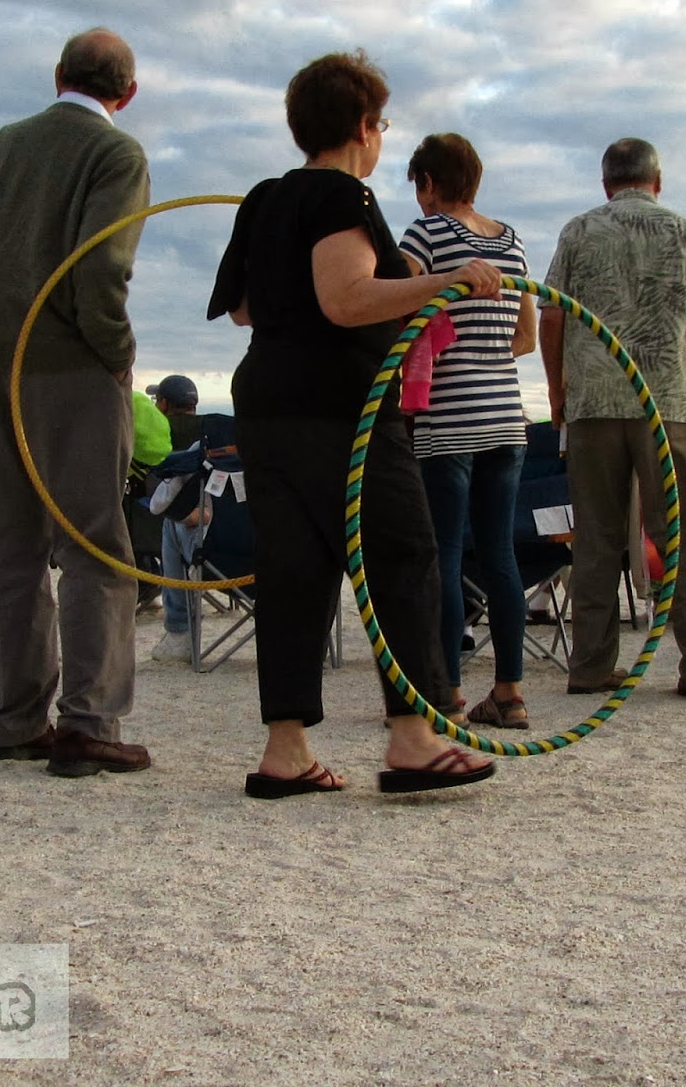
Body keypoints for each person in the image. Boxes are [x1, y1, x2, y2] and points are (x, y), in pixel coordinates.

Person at [210, 50, 500, 797]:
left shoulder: (264, 199)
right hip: (342, 407)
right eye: (382, 125)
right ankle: (413, 737)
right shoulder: (343, 196)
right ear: (364, 127)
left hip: (268, 402)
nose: (382, 139)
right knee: (402, 554)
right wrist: (450, 279)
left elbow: (245, 308)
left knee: (295, 570)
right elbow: (345, 298)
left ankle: (287, 751)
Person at [0, 27, 151, 777]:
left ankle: (17, 719)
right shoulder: (115, 153)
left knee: (9, 550)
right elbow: (103, 267)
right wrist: (116, 354)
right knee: (95, 546)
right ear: (127, 93)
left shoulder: (3, 143)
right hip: (69, 365)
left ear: (57, 74)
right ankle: (90, 723)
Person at [541, 137, 686, 703]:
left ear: (605, 185)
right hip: (666, 405)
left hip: (595, 403)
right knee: (678, 537)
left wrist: (558, 393)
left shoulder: (578, 231)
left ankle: (591, 666)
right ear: (658, 181)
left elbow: (551, 316)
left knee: (595, 537)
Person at [398, 133, 535, 730]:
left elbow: (396, 307)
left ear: (428, 182)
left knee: (446, 556)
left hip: (448, 416)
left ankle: (447, 692)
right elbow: (526, 337)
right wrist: (483, 349)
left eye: (418, 188)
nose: (419, 200)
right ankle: (509, 693)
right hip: (505, 414)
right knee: (500, 555)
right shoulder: (512, 242)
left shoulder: (424, 235)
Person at [147, 374, 207, 664]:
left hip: (193, 543)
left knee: (171, 522)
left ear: (164, 404)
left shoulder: (155, 433)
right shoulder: (213, 436)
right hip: (241, 545)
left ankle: (181, 633)